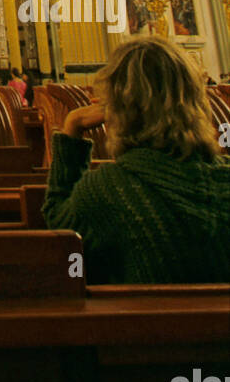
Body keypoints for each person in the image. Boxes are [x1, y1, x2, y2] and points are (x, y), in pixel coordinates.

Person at [42, 36, 230, 284]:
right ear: (196, 100)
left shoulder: (108, 189)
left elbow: (62, 234)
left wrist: (72, 129)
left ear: (117, 109)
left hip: (149, 323)